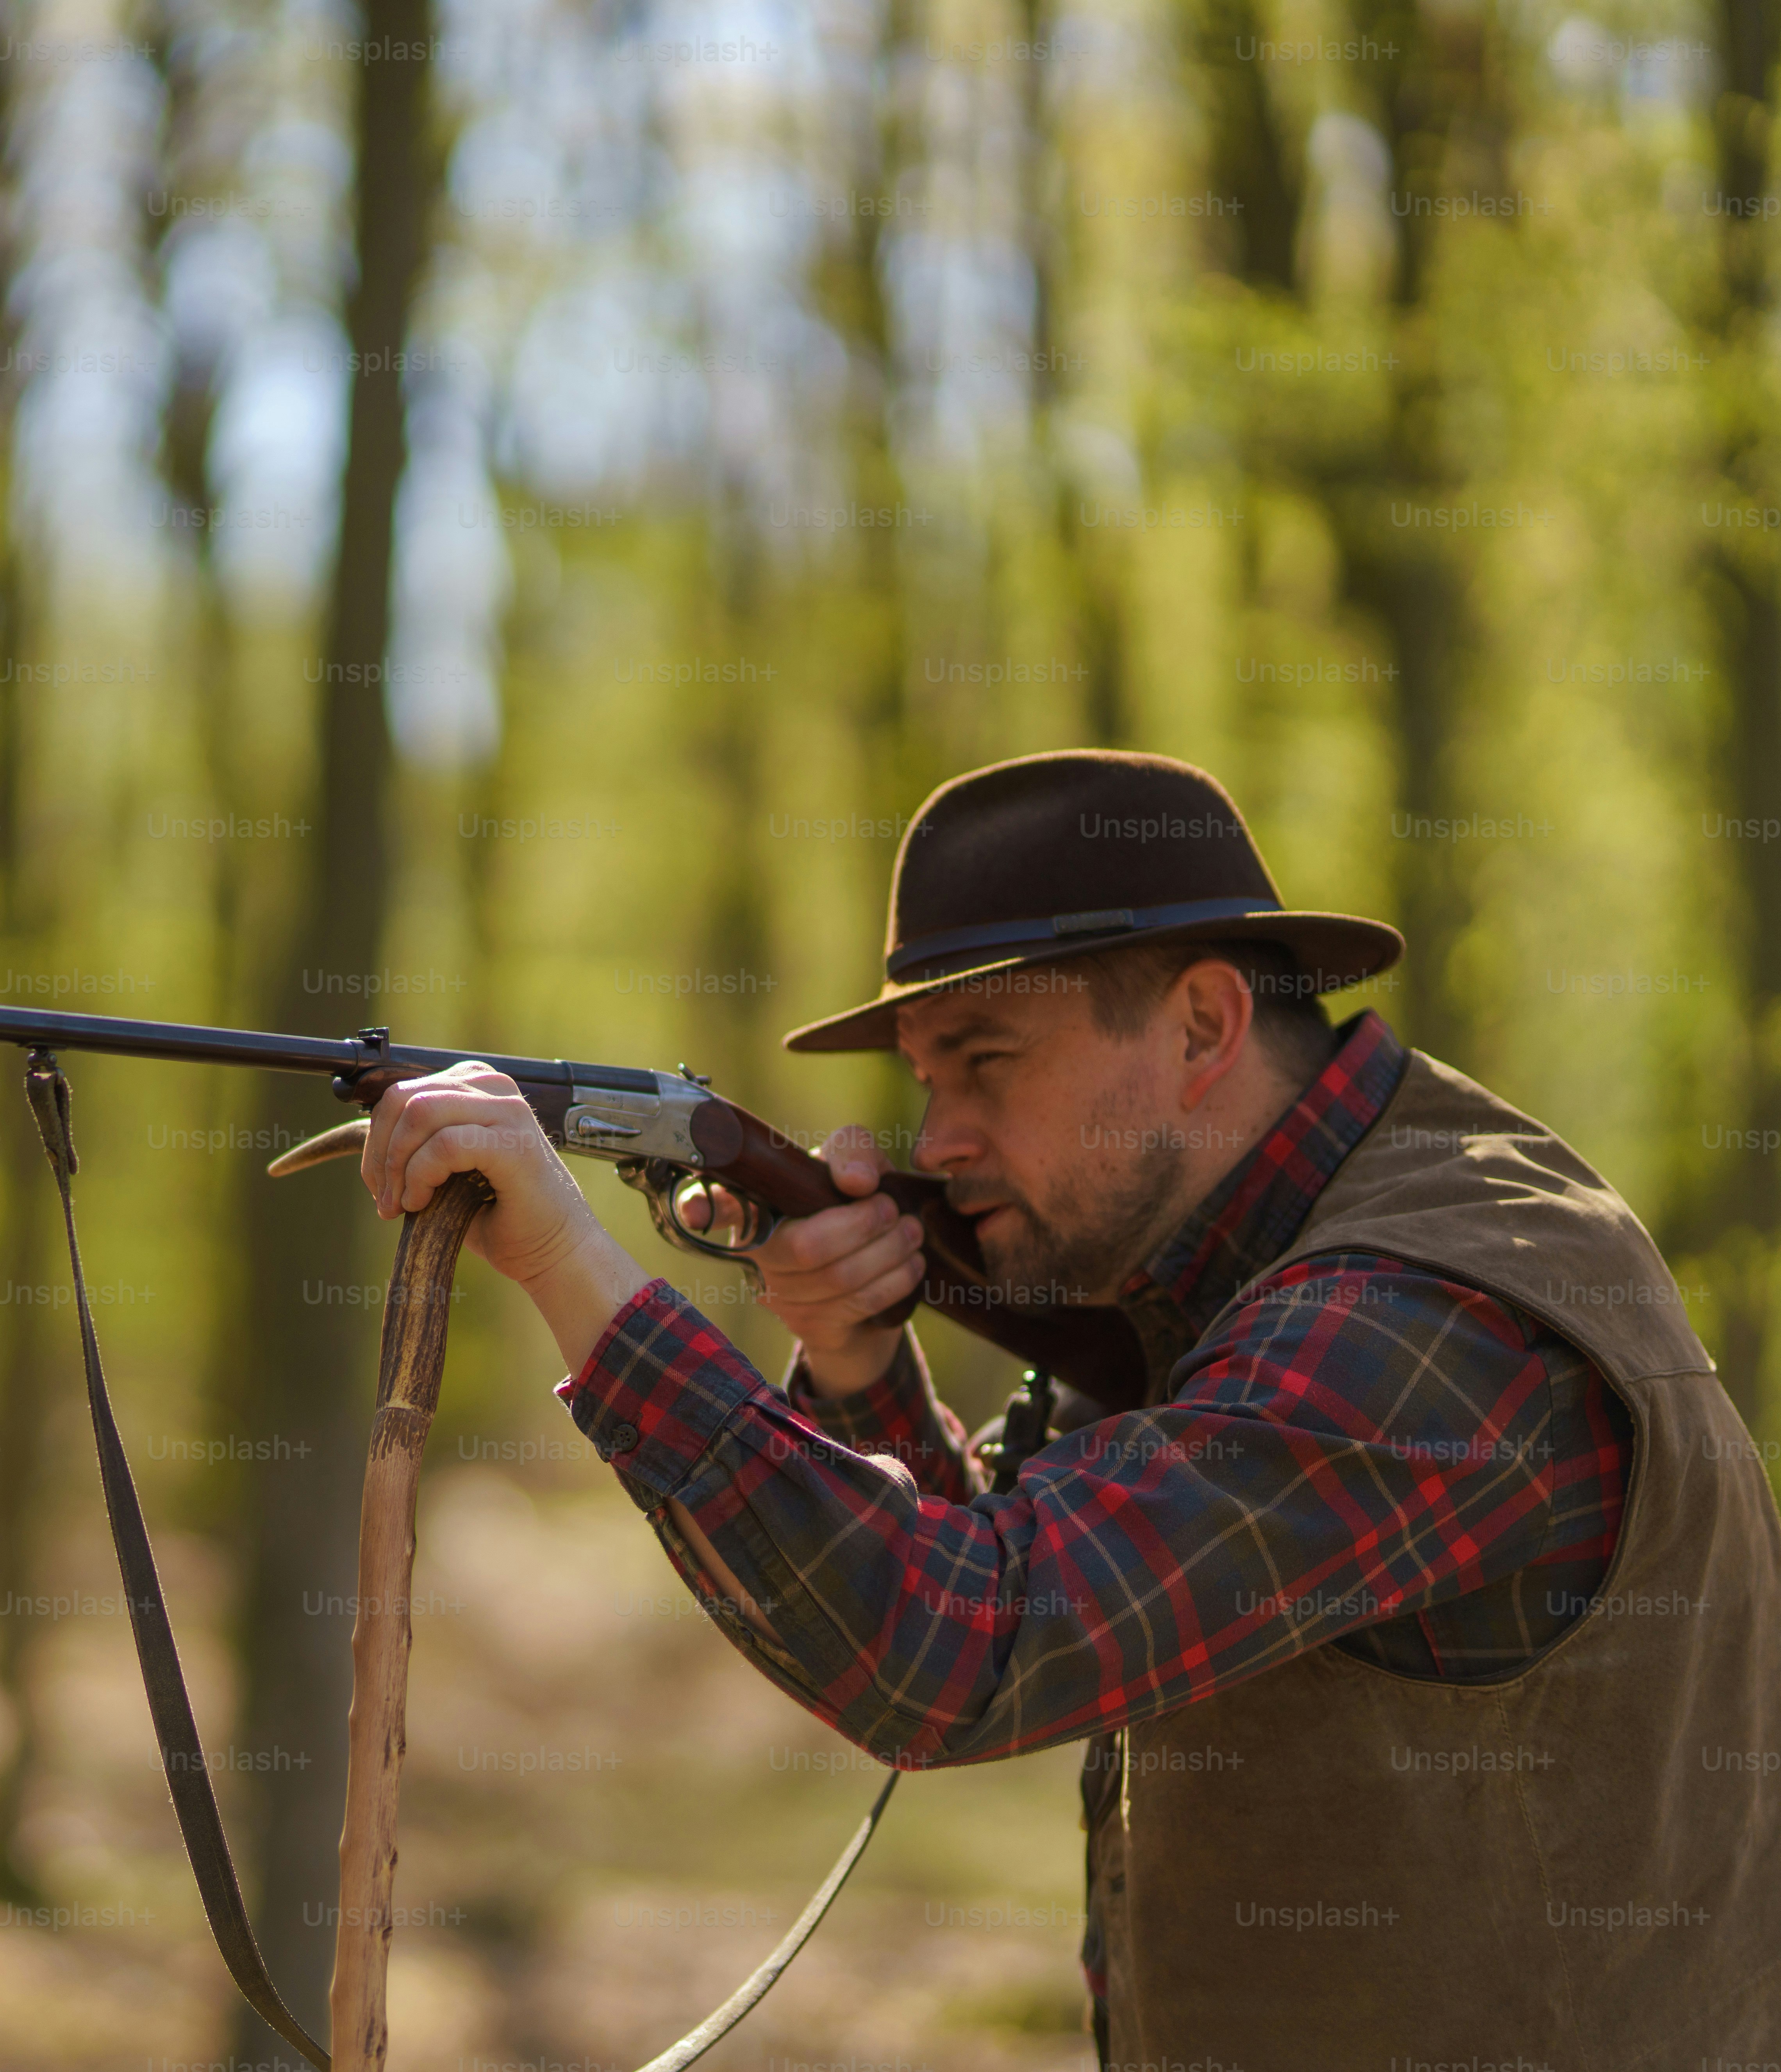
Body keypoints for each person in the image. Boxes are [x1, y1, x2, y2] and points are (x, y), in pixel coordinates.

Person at [351, 748, 1781, 2064]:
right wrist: (855, 1363)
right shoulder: (1233, 1261)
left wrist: (567, 1266)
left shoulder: (1417, 1322)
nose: (940, 1142)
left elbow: (958, 1646)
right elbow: (1035, 1557)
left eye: (987, 1061)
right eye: (925, 1080)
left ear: (1204, 1024)